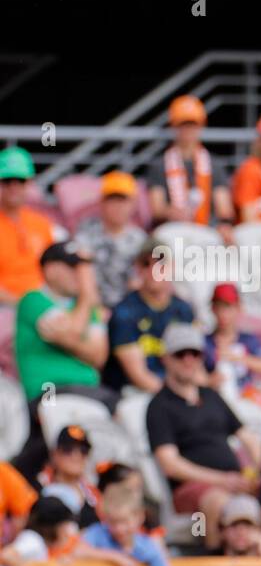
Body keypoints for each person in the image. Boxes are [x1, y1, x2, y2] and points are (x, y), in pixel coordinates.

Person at [146, 322, 261, 550]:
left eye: (195, 353)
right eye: (181, 354)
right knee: (217, 502)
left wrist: (258, 472)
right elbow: (170, 464)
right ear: (166, 359)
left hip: (234, 480)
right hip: (192, 488)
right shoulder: (159, 406)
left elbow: (249, 439)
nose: (189, 360)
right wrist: (222, 480)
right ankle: (217, 563)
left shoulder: (212, 396)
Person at [14, 242, 108, 404]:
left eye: (84, 270)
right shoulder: (33, 300)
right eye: (73, 267)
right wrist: (87, 292)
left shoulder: (84, 307)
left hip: (88, 390)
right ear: (50, 270)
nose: (80, 275)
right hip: (48, 390)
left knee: (126, 412)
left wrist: (68, 341)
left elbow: (99, 357)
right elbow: (73, 331)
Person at [104, 240, 196, 394]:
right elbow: (139, 376)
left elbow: (193, 363)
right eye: (146, 264)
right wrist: (176, 398)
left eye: (160, 262)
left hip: (176, 390)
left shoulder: (183, 310)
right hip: (132, 392)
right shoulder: (125, 312)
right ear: (137, 269)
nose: (154, 270)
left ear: (171, 266)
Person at [148, 95, 234, 239]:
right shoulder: (160, 164)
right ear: (173, 126)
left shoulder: (215, 164)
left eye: (192, 124)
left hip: (207, 230)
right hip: (172, 230)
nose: (188, 130)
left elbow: (224, 209)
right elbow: (157, 209)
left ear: (201, 126)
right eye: (183, 124)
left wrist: (224, 225)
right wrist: (172, 212)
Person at [204, 282, 261, 407]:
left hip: (247, 401)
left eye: (228, 307)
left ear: (238, 308)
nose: (224, 313)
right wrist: (208, 380)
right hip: (215, 404)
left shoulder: (248, 340)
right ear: (213, 309)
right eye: (220, 307)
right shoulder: (204, 342)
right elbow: (192, 373)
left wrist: (238, 358)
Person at [75, 171, 147, 307]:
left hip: (127, 310)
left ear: (133, 204)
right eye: (112, 200)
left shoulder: (140, 239)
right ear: (102, 202)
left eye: (123, 200)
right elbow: (83, 271)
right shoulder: (87, 230)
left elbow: (139, 283)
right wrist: (96, 311)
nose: (118, 207)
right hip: (93, 306)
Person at [0, 147, 57, 303]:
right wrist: (23, 305)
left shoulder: (41, 224)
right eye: (7, 181)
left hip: (42, 303)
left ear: (28, 184)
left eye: (20, 181)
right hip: (6, 307)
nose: (13, 187)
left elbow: (55, 270)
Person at [35, 424, 99, 528]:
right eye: (67, 449)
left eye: (83, 451)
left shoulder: (94, 495)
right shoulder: (36, 488)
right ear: (54, 454)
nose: (76, 456)